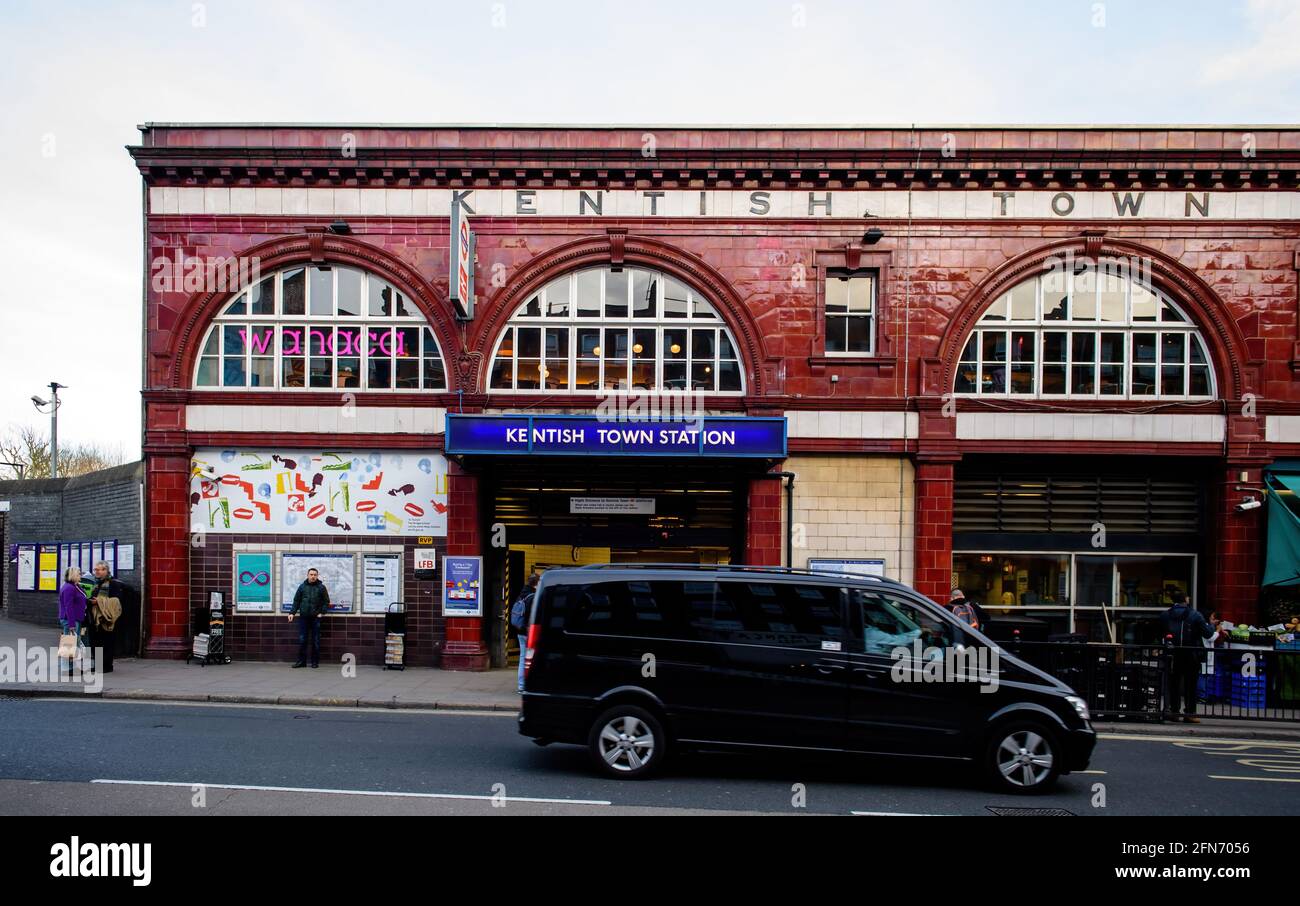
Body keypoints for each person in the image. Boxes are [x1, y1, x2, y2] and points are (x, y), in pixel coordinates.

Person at [1159, 590, 1214, 723]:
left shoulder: (1165, 615)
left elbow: (1159, 633)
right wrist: (1212, 625)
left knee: (1174, 683)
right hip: (1191, 654)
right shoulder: (1195, 615)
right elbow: (1207, 634)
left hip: (1172, 653)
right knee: (1191, 684)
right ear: (1186, 599)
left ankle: (1174, 712)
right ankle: (1190, 713)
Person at [86, 560, 126, 674]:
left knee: (107, 642)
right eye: (95, 570)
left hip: (106, 618)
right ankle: (98, 665)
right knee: (95, 642)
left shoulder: (113, 584)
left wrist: (98, 602)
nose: (96, 572)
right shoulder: (95, 584)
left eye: (99, 570)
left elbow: (117, 600)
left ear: (105, 570)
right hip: (94, 618)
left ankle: (107, 665)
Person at [287, 567, 330, 668]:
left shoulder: (321, 587)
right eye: (311, 574)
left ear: (317, 576)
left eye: (315, 575)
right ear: (307, 575)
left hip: (316, 618)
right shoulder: (302, 587)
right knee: (302, 640)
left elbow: (326, 602)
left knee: (315, 640)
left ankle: (314, 662)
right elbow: (296, 601)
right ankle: (302, 662)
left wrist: (322, 613)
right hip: (304, 617)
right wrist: (292, 613)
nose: (313, 576)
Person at [510, 574, 539, 693]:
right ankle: (525, 686)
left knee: (523, 658)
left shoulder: (522, 594)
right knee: (530, 659)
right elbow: (530, 616)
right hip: (528, 632)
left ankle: (521, 685)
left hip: (520, 631)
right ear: (537, 583)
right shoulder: (532, 596)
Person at [58, 566, 87, 671]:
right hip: (70, 619)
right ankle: (68, 668)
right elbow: (68, 606)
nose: (80, 575)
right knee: (70, 644)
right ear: (73, 575)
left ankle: (73, 667)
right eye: (79, 573)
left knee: (74, 644)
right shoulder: (69, 588)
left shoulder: (76, 586)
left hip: (76, 619)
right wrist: (71, 624)